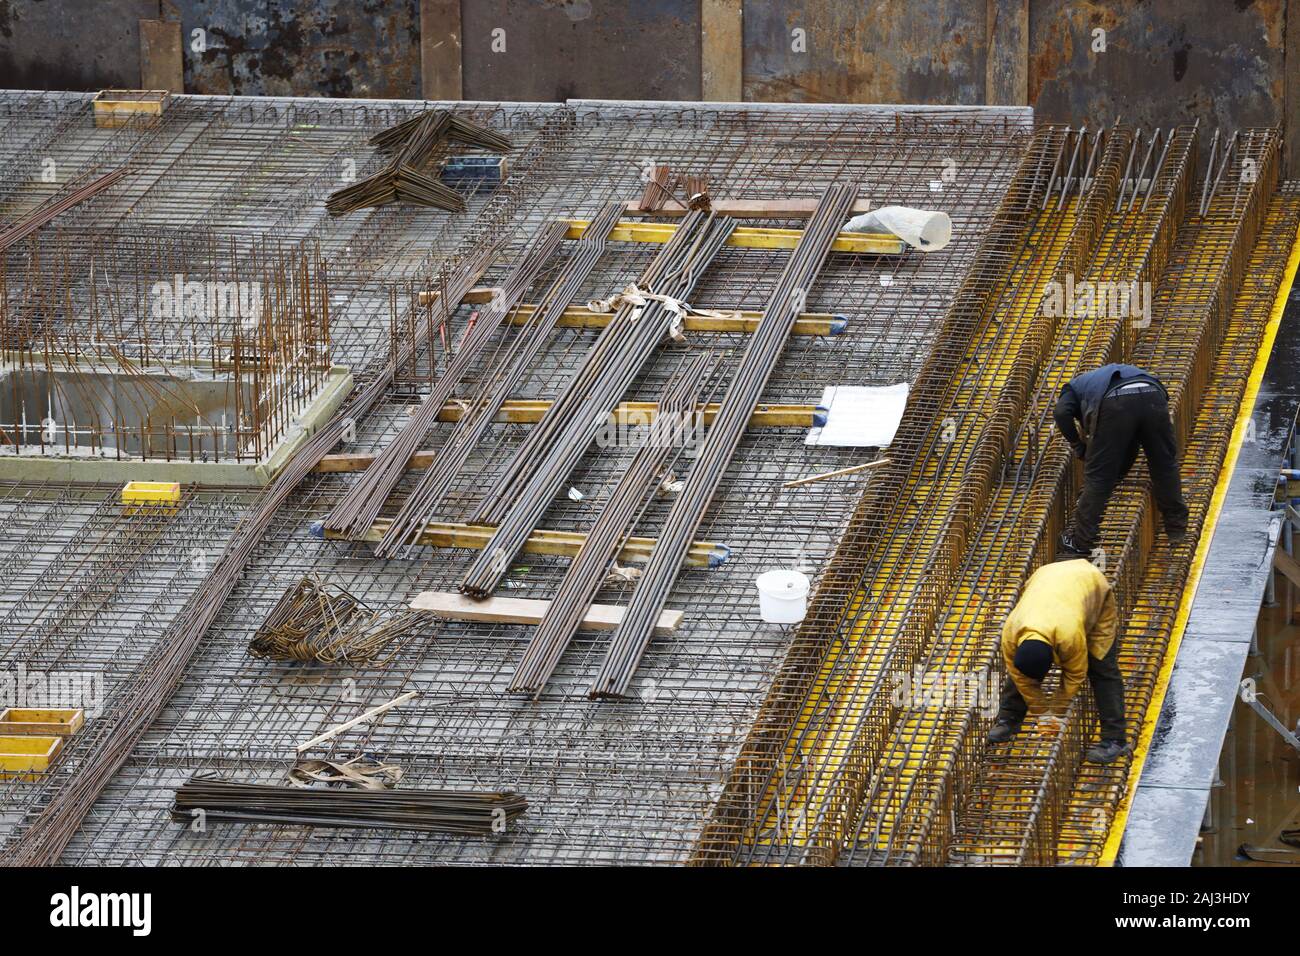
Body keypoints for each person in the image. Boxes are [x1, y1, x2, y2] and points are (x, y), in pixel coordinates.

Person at [987, 558, 1130, 764]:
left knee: (1101, 668)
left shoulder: (1069, 635)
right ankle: (1009, 718)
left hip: (1091, 587)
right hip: (1047, 577)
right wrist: (1042, 713)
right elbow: (1021, 676)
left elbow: (1074, 675)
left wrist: (1055, 712)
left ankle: (1115, 739)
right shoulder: (1011, 633)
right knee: (1021, 671)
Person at [1054, 363, 1188, 556]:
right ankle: (1176, 529)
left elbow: (1061, 413)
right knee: (1165, 465)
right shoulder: (1103, 378)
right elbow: (1129, 439)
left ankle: (1081, 542)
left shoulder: (1072, 389)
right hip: (1153, 394)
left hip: (1115, 402)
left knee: (1098, 478)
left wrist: (1077, 445)